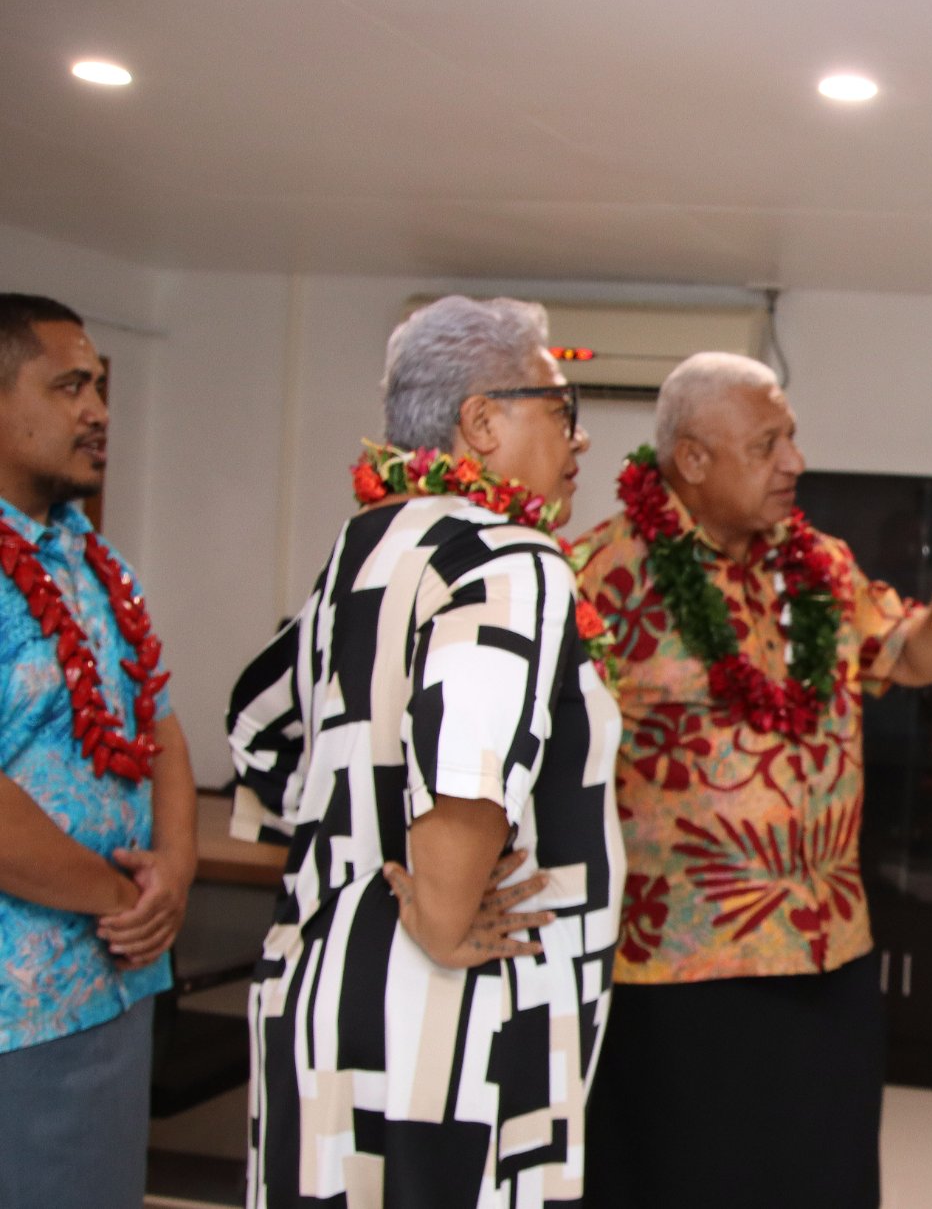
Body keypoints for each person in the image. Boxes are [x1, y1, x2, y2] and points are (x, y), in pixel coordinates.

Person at [574, 352, 932, 1208]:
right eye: (768, 443)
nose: (795, 462)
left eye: (793, 438)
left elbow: (912, 655)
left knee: (823, 1181)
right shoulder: (597, 578)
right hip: (678, 974)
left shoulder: (822, 564)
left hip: (828, 959)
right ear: (694, 459)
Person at [226, 296, 624, 1208]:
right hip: (449, 1027)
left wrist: (363, 844)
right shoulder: (510, 559)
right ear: (481, 421)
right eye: (563, 411)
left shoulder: (364, 545)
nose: (581, 440)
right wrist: (443, 908)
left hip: (326, 992)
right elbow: (470, 751)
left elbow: (255, 722)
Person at [0, 293, 199, 1207]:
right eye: (70, 386)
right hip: (20, 1014)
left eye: (100, 387)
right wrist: (126, 898)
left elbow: (157, 722)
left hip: (117, 983)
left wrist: (179, 868)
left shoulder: (90, 560)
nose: (99, 411)